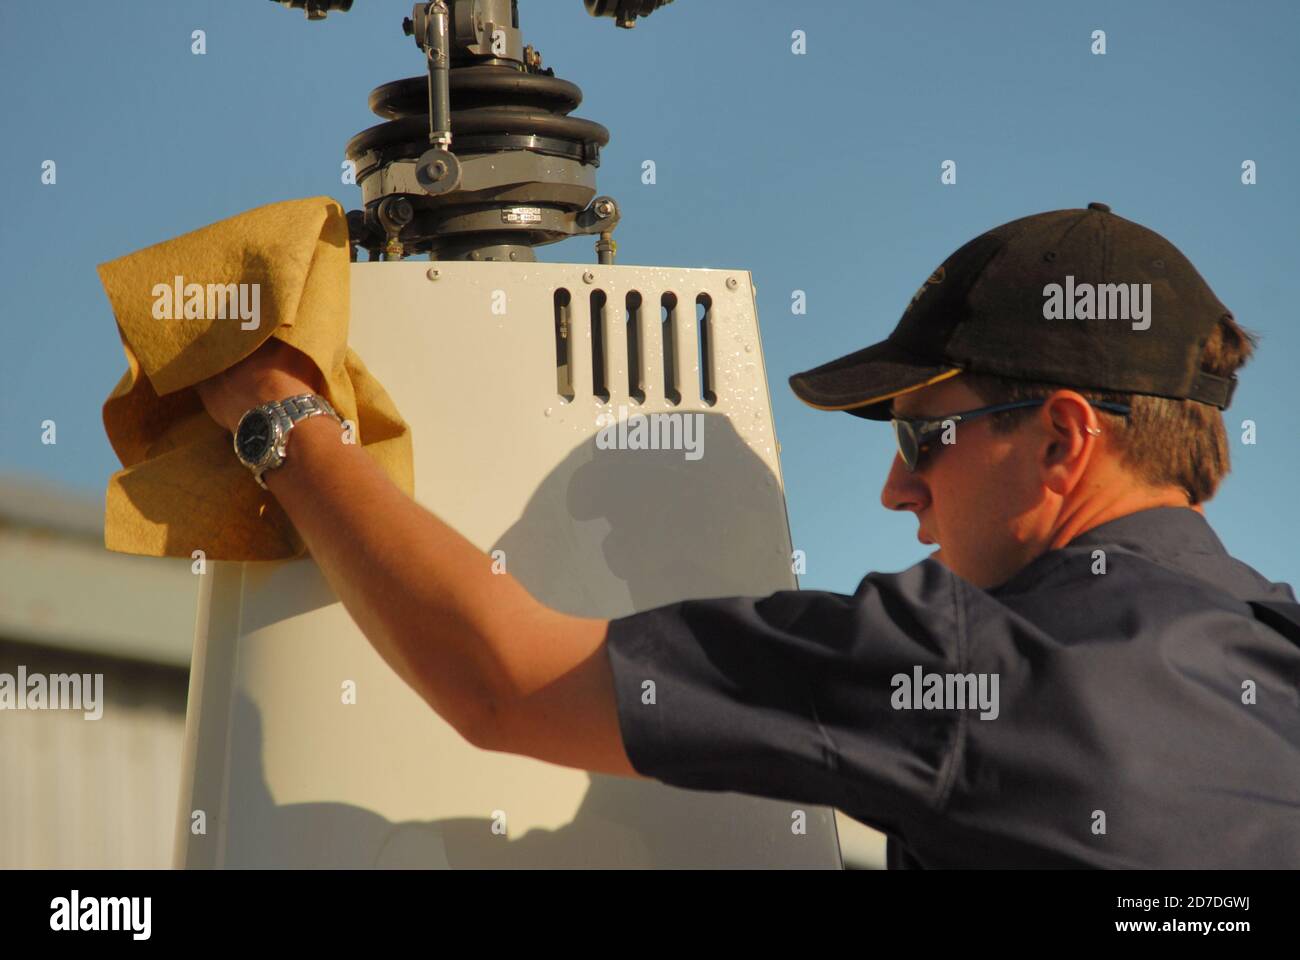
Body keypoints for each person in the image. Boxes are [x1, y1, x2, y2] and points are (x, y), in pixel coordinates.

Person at [196, 203, 1300, 868]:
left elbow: (502, 682)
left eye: (924, 440)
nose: (892, 493)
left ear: (1062, 439)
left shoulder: (967, 664)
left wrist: (280, 421)